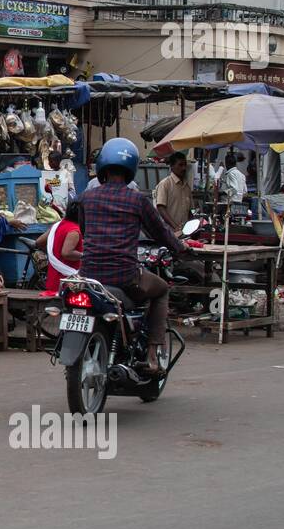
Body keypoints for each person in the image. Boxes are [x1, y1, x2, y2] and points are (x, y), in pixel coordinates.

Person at [80, 138, 191, 375]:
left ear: (102, 168)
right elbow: (161, 232)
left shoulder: (86, 198)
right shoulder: (136, 199)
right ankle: (152, 355)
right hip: (124, 276)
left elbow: (82, 228)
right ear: (131, 169)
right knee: (161, 290)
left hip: (88, 275)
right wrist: (180, 248)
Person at [37, 199, 83, 293]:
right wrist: (84, 255)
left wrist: (53, 251)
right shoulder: (74, 230)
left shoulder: (57, 226)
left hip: (53, 282)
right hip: (68, 285)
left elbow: (39, 242)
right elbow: (66, 253)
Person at [154, 151, 192, 232]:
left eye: (185, 165)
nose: (184, 168)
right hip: (169, 232)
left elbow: (189, 211)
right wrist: (175, 227)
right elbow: (161, 208)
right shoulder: (165, 184)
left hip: (184, 233)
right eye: (180, 165)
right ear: (172, 166)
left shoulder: (186, 187)